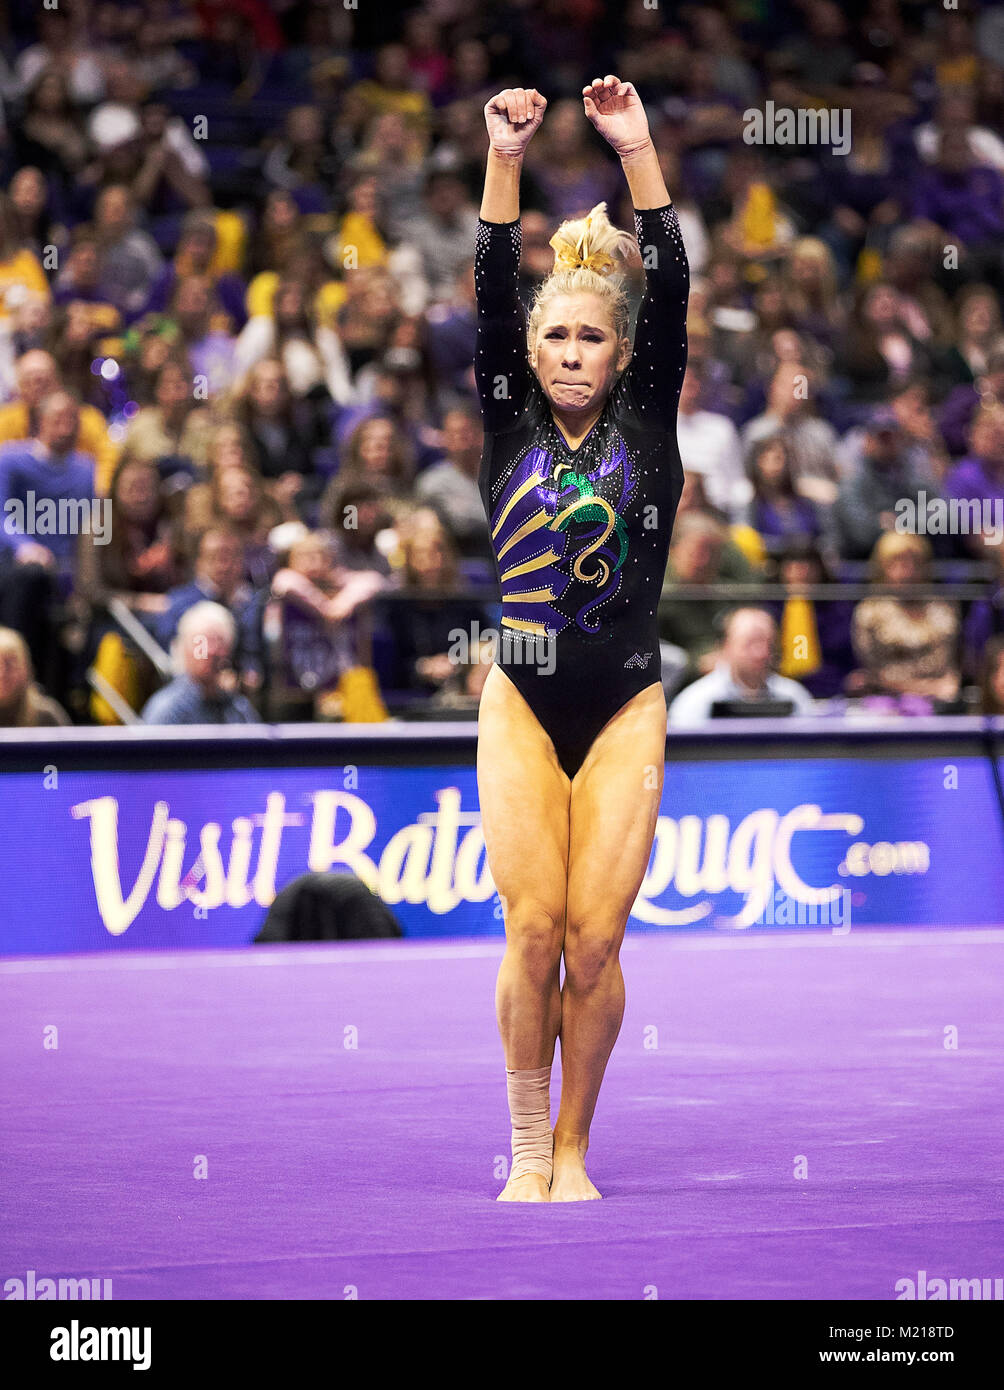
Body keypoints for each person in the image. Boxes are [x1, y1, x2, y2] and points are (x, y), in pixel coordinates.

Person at [474, 78, 688, 1202]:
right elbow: (484, 282)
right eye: (551, 332)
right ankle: (520, 1147)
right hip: (520, 694)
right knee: (533, 926)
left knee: (594, 942)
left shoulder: (647, 421)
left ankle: (573, 1148)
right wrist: (505, 159)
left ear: (618, 353)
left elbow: (675, 275)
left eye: (587, 336)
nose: (566, 351)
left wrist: (635, 148)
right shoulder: (505, 414)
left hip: (622, 702)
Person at [667, 607, 816, 725]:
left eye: (768, 643)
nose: (761, 653)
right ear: (725, 646)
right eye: (750, 643)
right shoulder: (694, 702)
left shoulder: (795, 696)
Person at [141, 601, 260, 725]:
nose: (210, 651)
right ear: (184, 648)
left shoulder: (238, 709)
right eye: (200, 643)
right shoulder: (166, 710)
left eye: (219, 642)